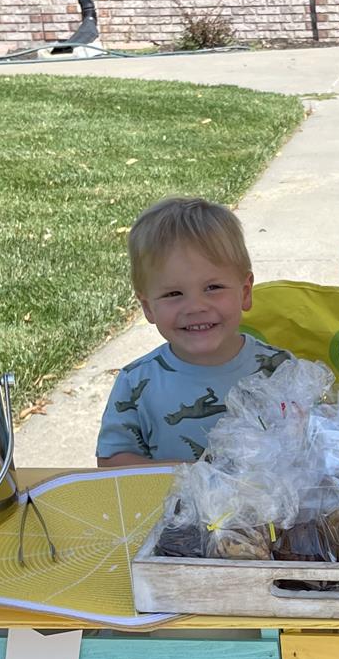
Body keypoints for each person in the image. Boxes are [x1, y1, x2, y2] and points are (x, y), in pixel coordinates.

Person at [97, 197, 289, 465]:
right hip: (169, 506)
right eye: (173, 293)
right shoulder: (135, 383)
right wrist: (187, 476)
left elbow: (315, 444)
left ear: (245, 293)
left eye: (213, 288)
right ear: (148, 307)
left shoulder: (280, 369)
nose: (196, 307)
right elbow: (112, 461)